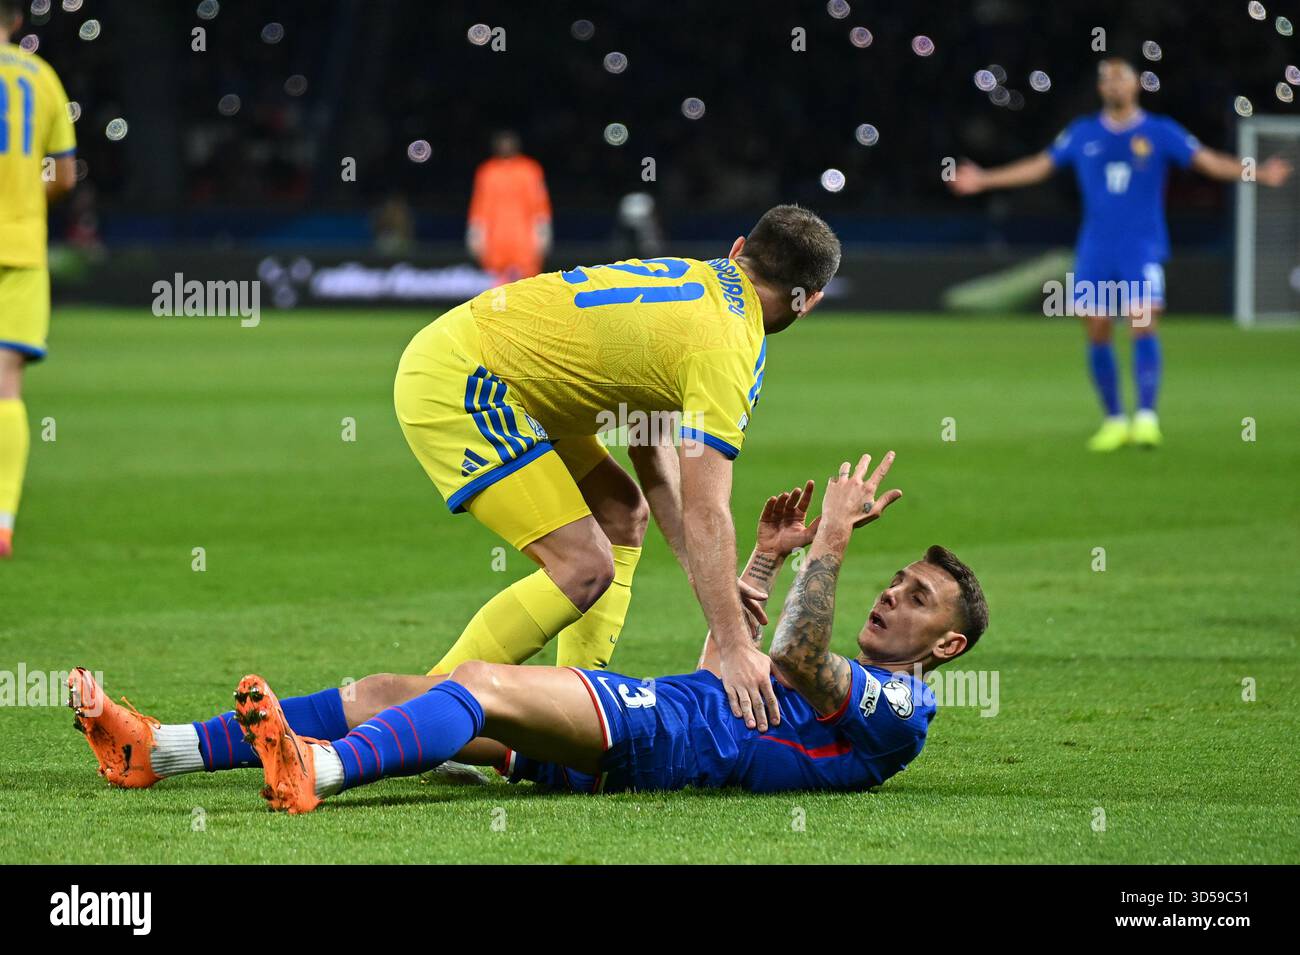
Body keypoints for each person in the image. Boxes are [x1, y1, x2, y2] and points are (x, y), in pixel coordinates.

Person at [68, 451, 990, 812]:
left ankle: (322, 771)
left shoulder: (902, 709)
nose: (893, 597)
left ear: (946, 645)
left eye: (918, 600)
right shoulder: (845, 684)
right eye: (899, 581)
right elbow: (737, 670)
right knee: (394, 693)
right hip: (671, 719)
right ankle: (166, 751)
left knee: (480, 679)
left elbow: (789, 656)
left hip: (662, 740)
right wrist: (763, 562)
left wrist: (831, 539)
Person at [393, 204, 840, 732]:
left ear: (738, 250)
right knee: (583, 565)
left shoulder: (696, 284)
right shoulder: (728, 347)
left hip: (496, 363)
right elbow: (706, 509)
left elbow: (649, 447)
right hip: (469, 381)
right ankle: (423, 719)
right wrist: (736, 645)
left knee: (623, 514)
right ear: (810, 300)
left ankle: (572, 707)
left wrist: (708, 579)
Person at [949, 57, 1292, 451]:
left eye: (1121, 78)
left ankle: (1146, 417)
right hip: (1095, 248)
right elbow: (1039, 167)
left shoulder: (1160, 132)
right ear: (1100, 89)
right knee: (1096, 328)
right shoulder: (1082, 133)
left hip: (1141, 247)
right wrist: (985, 179)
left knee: (1142, 323)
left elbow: (1208, 161)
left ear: (1136, 86)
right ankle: (1114, 419)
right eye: (1106, 80)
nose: (1113, 85)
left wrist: (1258, 173)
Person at [0, 0, 77, 558]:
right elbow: (65, 175)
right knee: (6, 387)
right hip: (21, 245)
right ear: (17, 21)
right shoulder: (43, 77)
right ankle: (2, 515)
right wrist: (30, 196)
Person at [467, 130, 552, 285]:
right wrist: (475, 234)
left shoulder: (530, 170)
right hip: (496, 239)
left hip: (524, 239)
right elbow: (479, 207)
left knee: (528, 286)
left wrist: (543, 233)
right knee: (496, 287)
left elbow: (540, 206)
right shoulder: (487, 172)